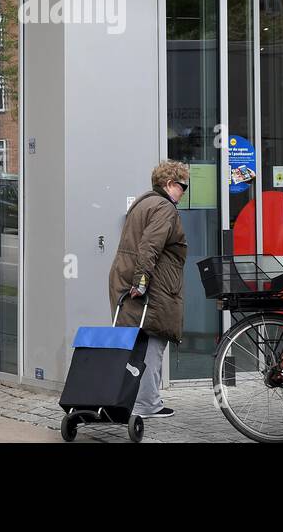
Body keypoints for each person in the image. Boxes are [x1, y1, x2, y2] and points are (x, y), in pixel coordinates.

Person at [109, 160, 189, 419]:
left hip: (128, 278)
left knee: (137, 344)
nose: (184, 192)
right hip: (153, 286)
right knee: (153, 342)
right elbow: (149, 247)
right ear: (169, 184)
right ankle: (147, 403)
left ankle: (135, 398)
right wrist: (141, 282)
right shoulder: (164, 207)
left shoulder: (143, 203)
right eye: (183, 186)